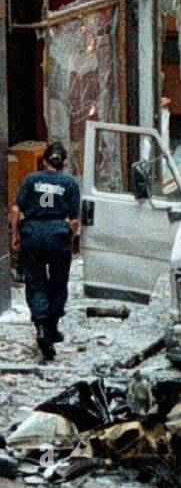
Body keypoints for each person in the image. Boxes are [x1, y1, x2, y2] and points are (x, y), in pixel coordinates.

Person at [10, 141, 80, 360]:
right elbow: (75, 220)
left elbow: (15, 208)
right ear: (64, 163)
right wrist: (70, 236)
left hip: (33, 233)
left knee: (35, 281)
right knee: (58, 283)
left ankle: (41, 325)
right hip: (58, 233)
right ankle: (51, 326)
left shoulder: (31, 179)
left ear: (44, 160)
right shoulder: (69, 183)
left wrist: (15, 233)